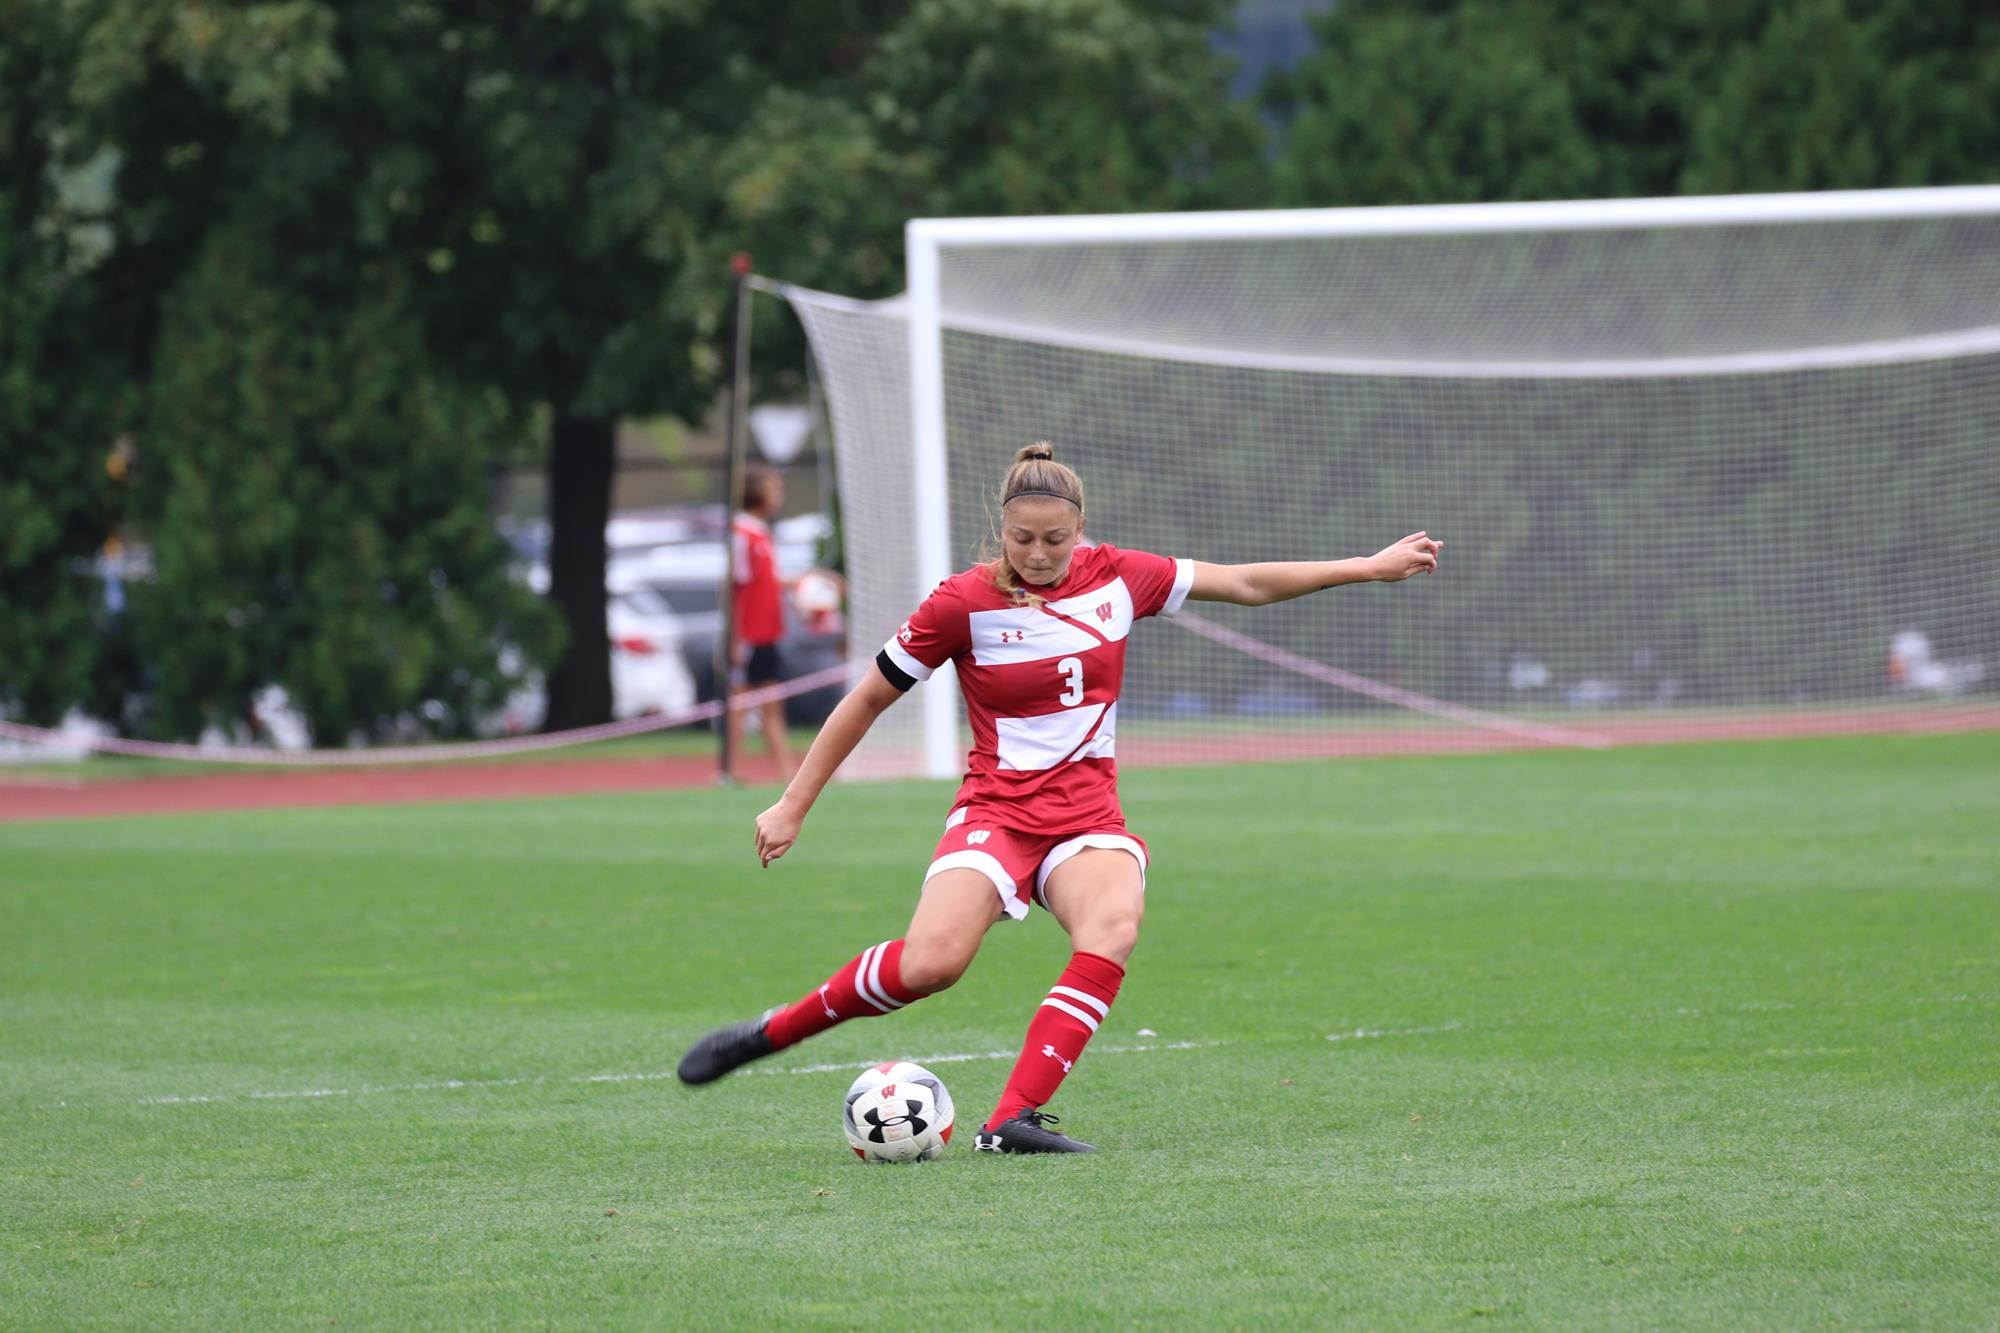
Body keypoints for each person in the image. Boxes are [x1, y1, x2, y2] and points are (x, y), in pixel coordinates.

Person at [679, 442, 1442, 1153]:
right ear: (1000, 529)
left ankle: (1012, 1118)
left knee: (1111, 926)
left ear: (1081, 529)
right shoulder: (960, 603)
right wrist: (792, 803)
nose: (1038, 556)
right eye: (1021, 539)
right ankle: (773, 1031)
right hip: (997, 815)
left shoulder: (1121, 577)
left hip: (1086, 820)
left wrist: (1366, 567)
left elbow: (1242, 582)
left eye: (1054, 540)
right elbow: (866, 699)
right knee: (930, 965)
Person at [727, 465, 798, 780]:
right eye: (774, 489)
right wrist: (735, 638)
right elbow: (735, 588)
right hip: (750, 636)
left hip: (768, 633)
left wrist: (805, 583)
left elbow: (767, 583)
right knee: (739, 704)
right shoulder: (741, 535)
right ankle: (729, 770)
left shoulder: (762, 534)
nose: (779, 496)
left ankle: (786, 773)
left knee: (772, 704)